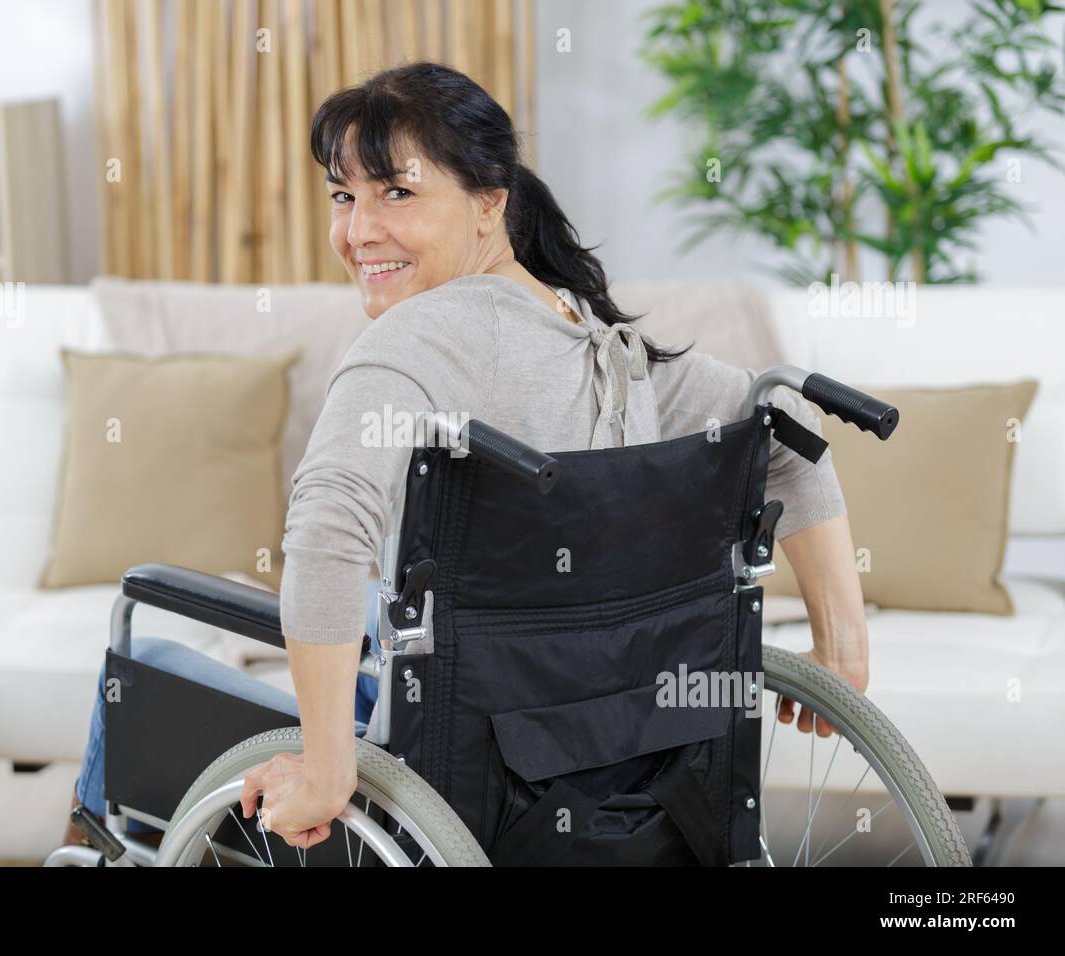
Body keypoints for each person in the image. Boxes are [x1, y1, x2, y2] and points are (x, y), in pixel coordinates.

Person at [60, 60, 870, 853]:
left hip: (439, 792)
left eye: (398, 194)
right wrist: (842, 651)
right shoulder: (610, 350)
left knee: (141, 651)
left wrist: (328, 767)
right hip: (603, 776)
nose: (358, 231)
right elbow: (787, 425)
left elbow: (329, 528)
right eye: (345, 197)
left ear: (490, 204)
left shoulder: (413, 342)